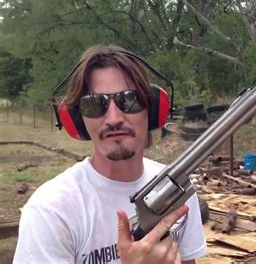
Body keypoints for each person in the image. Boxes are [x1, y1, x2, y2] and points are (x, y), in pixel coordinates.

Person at [13, 45, 207, 264]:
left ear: (151, 110)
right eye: (95, 104)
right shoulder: (51, 210)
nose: (114, 118)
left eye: (129, 100)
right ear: (78, 120)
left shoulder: (175, 187)